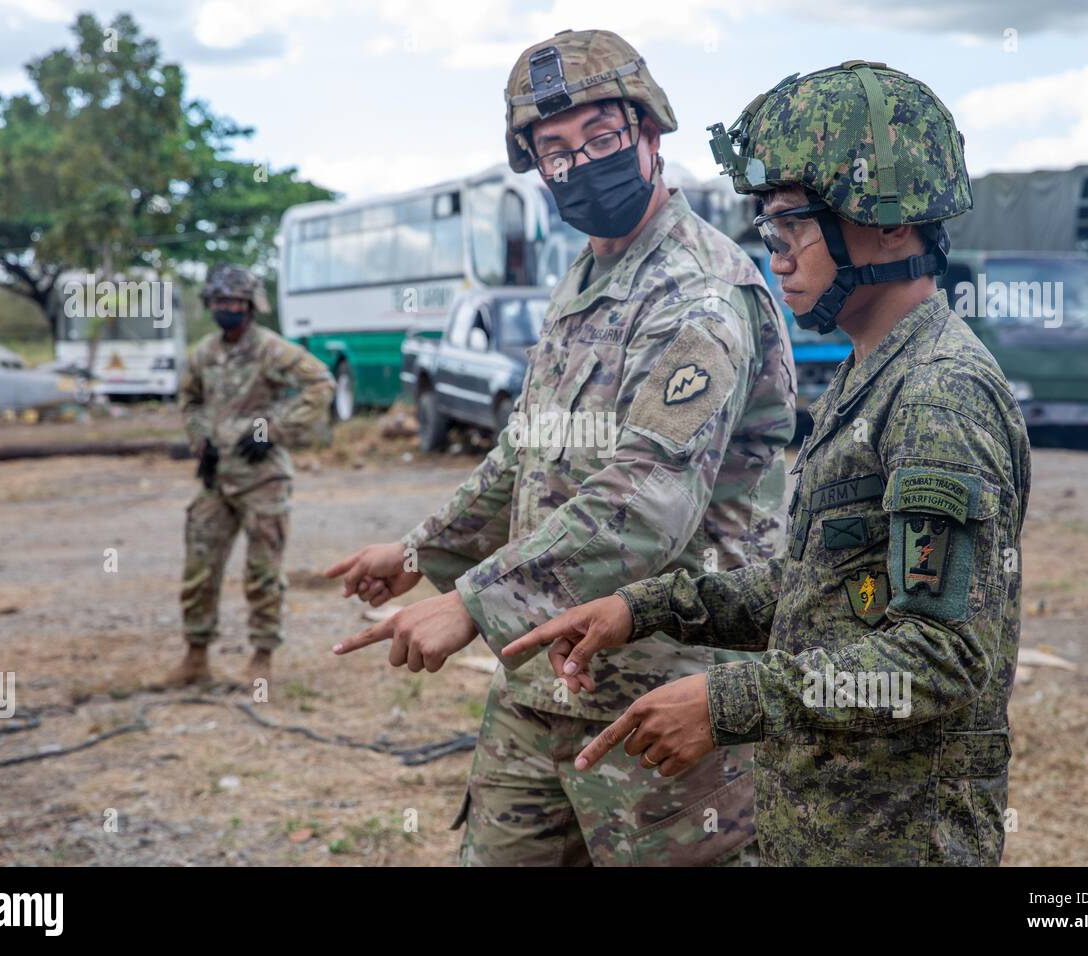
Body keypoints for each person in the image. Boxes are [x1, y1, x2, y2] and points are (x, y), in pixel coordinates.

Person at [506, 61, 1032, 866]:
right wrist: (644, 609)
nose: (778, 256)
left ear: (888, 225)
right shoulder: (873, 372)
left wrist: (728, 700)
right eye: (768, 233)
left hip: (896, 840)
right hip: (823, 825)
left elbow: (940, 659)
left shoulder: (939, 397)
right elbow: (820, 591)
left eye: (793, 228)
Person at [326, 29, 796, 865]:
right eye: (556, 152)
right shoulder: (587, 275)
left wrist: (472, 602)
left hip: (663, 690)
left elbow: (648, 500)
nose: (581, 165)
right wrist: (420, 552)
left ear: (650, 135)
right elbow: (528, 452)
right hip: (543, 676)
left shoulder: (698, 291)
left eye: (602, 140)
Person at [162, 264, 332, 688]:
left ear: (250, 307)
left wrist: (272, 430)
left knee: (263, 573)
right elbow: (190, 398)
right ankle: (196, 657)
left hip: (263, 480)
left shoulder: (271, 350)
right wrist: (200, 439)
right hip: (218, 480)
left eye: (235, 303)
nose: (227, 309)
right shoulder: (204, 353)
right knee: (199, 568)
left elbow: (320, 384)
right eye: (220, 303)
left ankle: (261, 658)